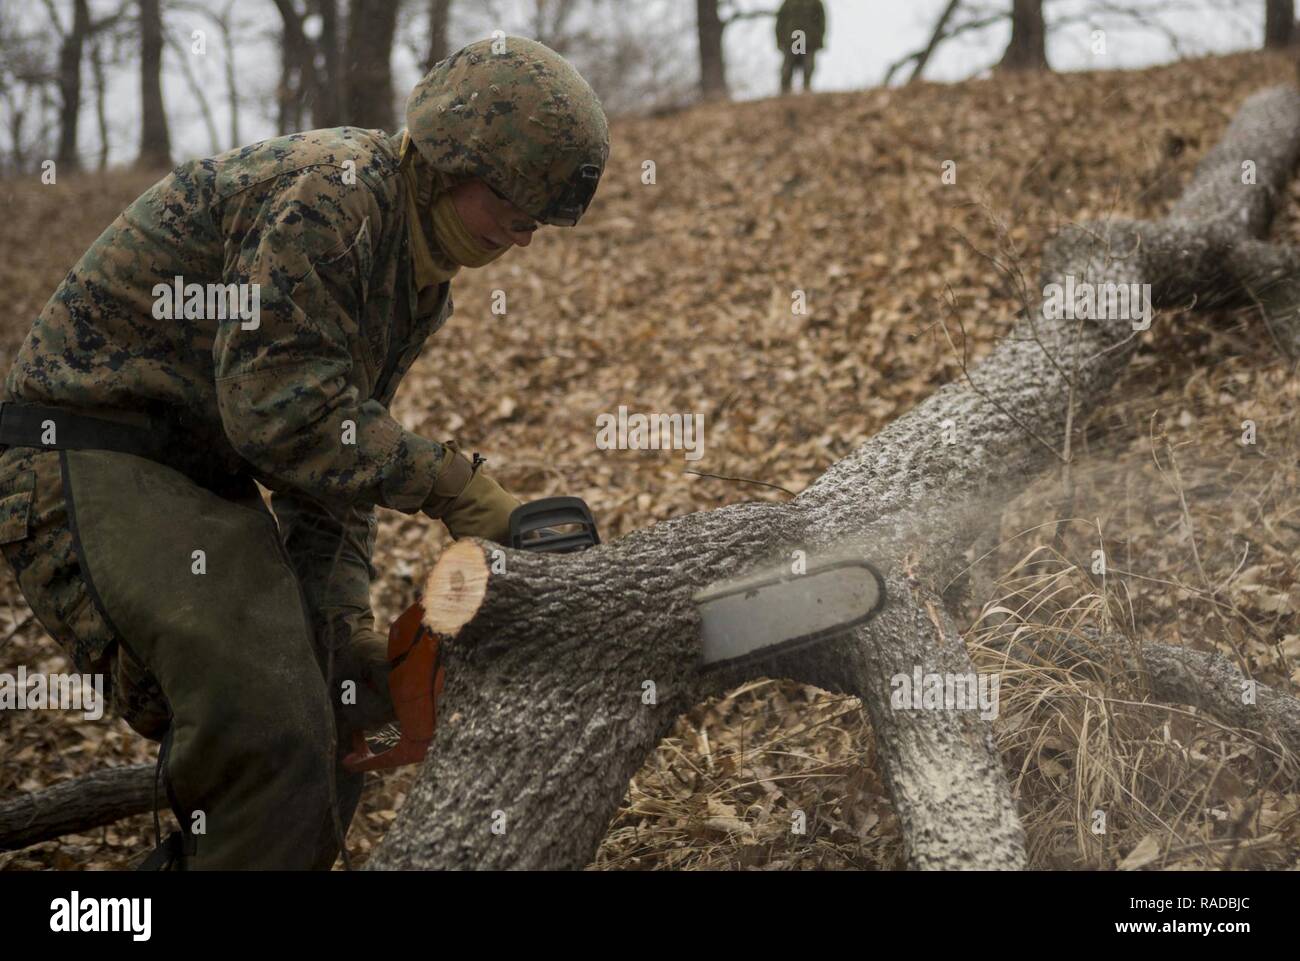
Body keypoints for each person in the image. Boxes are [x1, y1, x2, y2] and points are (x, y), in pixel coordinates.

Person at [0, 36, 609, 869]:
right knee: (272, 727)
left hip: (197, 475)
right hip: (86, 446)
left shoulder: (417, 283)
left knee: (334, 715)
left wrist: (344, 627)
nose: (525, 234)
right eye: (517, 205)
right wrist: (456, 487)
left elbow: (328, 470)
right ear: (457, 156)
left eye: (538, 218)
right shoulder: (335, 197)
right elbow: (278, 412)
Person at [776, 0, 827, 94]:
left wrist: (818, 39)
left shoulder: (815, 3)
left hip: (809, 40)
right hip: (791, 40)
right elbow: (780, 22)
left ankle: (806, 88)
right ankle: (785, 90)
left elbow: (821, 22)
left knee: (808, 66)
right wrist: (780, 41)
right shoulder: (788, 3)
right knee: (787, 67)